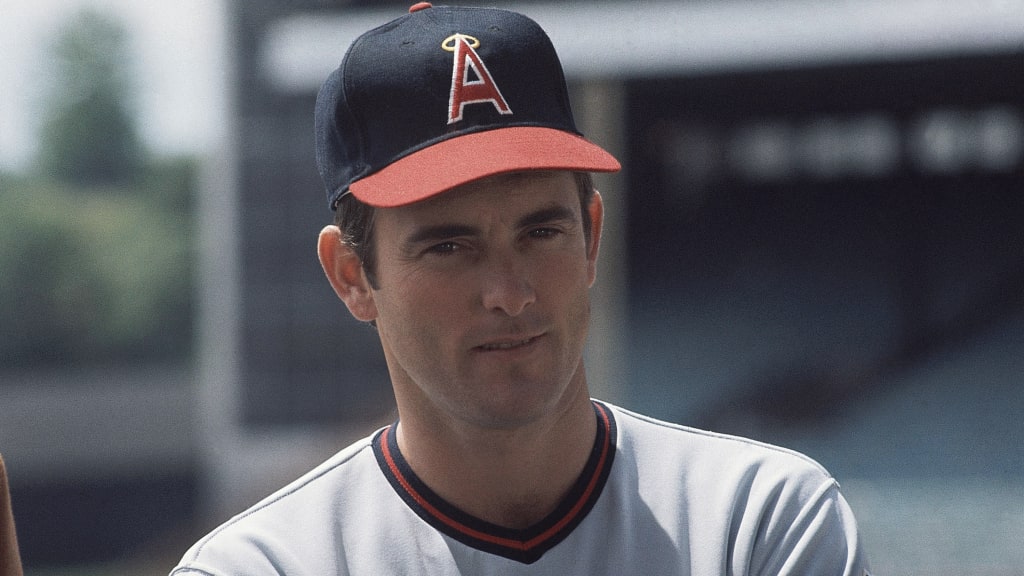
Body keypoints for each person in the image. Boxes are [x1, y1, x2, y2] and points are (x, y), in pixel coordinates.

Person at [171, 3, 870, 574]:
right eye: (449, 246)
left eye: (541, 233)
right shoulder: (265, 568)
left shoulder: (755, 520)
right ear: (353, 276)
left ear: (592, 236)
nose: (509, 292)